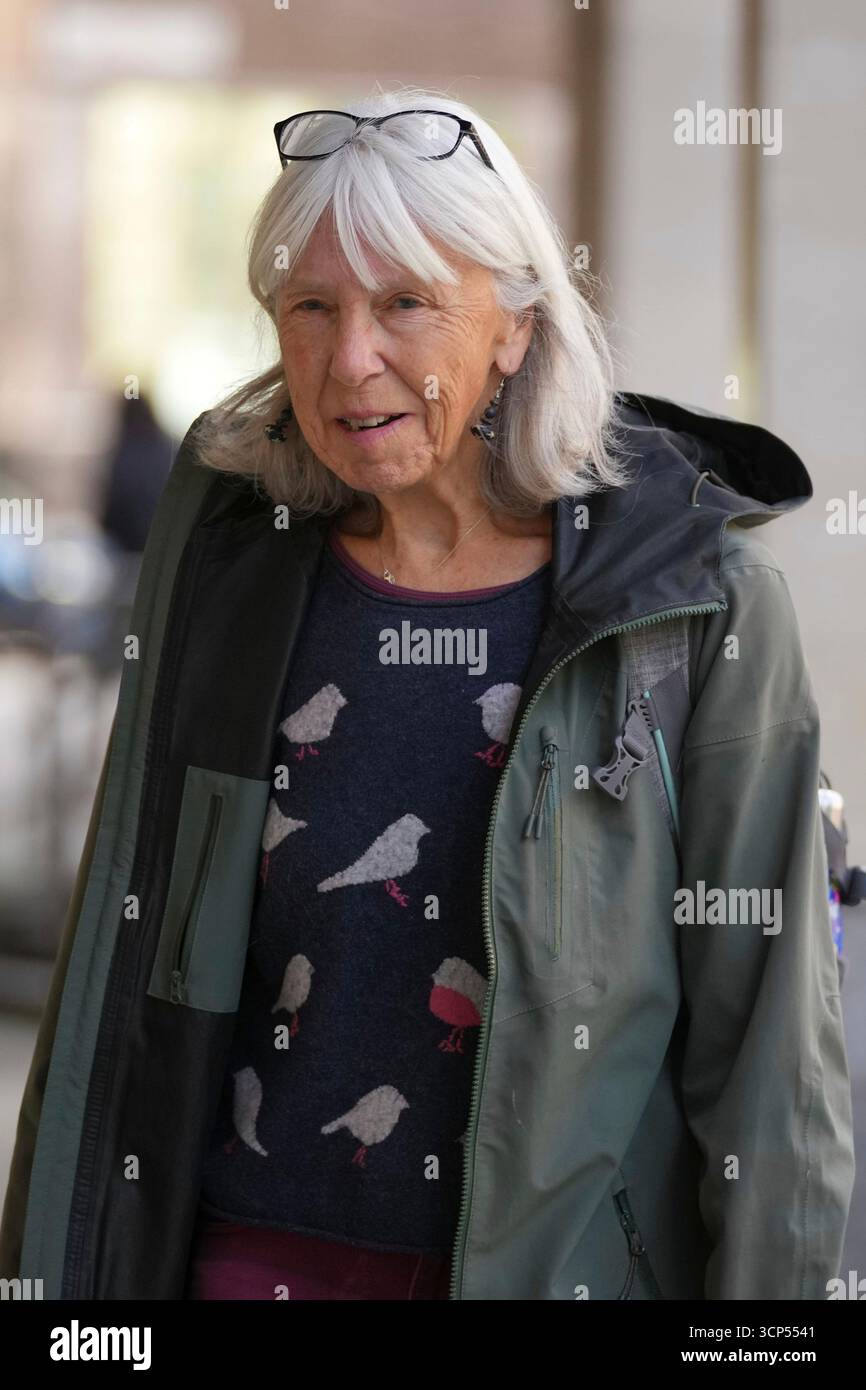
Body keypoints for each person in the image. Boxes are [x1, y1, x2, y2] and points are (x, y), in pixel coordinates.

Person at [0, 87, 854, 1301]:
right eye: (311, 307)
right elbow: (112, 982)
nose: (351, 359)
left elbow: (768, 1061)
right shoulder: (229, 570)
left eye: (406, 302)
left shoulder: (692, 608)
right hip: (243, 1266)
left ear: (512, 323)